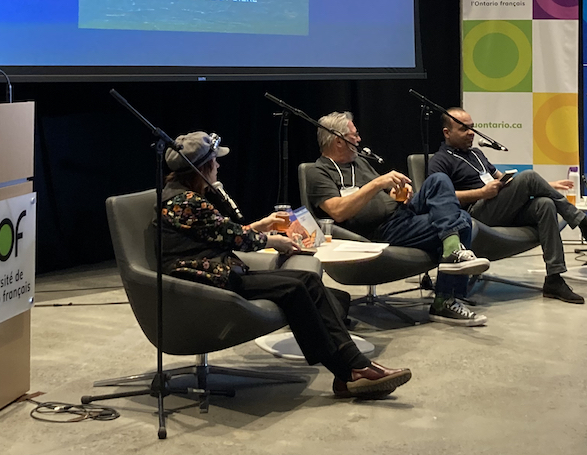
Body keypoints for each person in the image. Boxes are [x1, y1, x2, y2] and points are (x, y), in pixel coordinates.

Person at [159, 131, 411, 399]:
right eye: (214, 161)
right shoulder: (187, 202)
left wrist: (263, 225)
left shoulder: (179, 196)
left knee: (306, 281)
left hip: (214, 272)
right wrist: (273, 240)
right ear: (201, 168)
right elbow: (234, 237)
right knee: (296, 288)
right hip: (204, 280)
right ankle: (351, 369)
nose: (218, 166)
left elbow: (219, 232)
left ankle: (351, 369)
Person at [303, 112, 491, 327]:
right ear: (339, 140)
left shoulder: (360, 163)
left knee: (439, 180)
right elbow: (338, 211)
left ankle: (451, 252)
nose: (359, 139)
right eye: (355, 135)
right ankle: (444, 299)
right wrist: (377, 184)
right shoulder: (319, 172)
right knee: (462, 219)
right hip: (377, 232)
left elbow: (384, 196)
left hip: (401, 217)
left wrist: (399, 193)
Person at [427, 108, 587, 304]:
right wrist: (481, 193)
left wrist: (548, 186)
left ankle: (554, 279)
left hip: (497, 208)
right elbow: (439, 197)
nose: (471, 133)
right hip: (474, 216)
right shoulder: (441, 160)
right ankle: (585, 223)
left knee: (545, 203)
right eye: (464, 129)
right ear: (447, 132)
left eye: (472, 128)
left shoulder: (477, 154)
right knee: (529, 176)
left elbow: (504, 181)